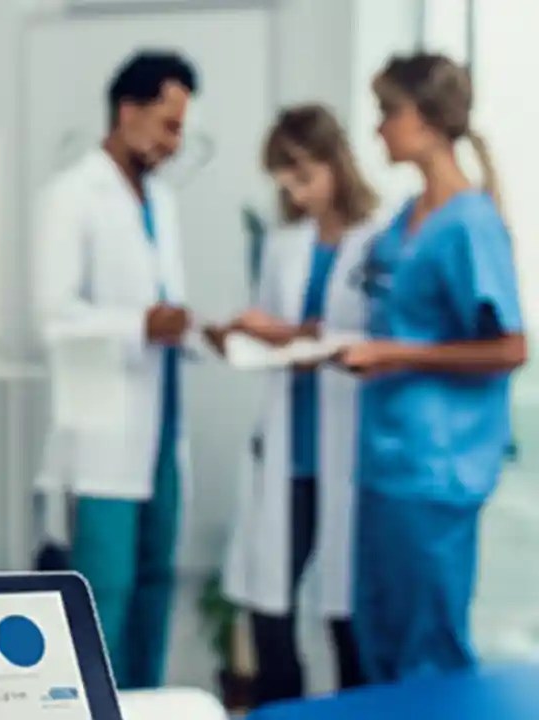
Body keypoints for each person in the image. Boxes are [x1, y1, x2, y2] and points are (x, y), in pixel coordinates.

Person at [337, 52, 527, 683]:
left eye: (387, 113)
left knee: (429, 648)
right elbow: (386, 317)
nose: (378, 130)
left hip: (437, 467)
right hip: (387, 459)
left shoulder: (470, 223)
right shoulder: (404, 219)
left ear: (425, 119)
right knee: (380, 636)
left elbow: (510, 348)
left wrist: (397, 356)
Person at [32, 50, 198, 690]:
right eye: (167, 124)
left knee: (158, 581)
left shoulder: (160, 198)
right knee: (107, 591)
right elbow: (53, 318)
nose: (173, 143)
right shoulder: (72, 195)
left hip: (161, 424)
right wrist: (138, 325)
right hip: (102, 432)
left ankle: (148, 700)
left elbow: (166, 304)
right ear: (127, 111)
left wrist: (207, 330)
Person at [213, 105, 375, 705]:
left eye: (304, 175)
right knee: (268, 606)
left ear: (336, 162)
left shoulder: (377, 241)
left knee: (348, 612)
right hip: (287, 450)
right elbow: (282, 332)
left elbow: (361, 342)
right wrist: (252, 335)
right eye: (285, 181)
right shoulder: (284, 245)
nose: (296, 192)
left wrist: (285, 335)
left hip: (350, 451)